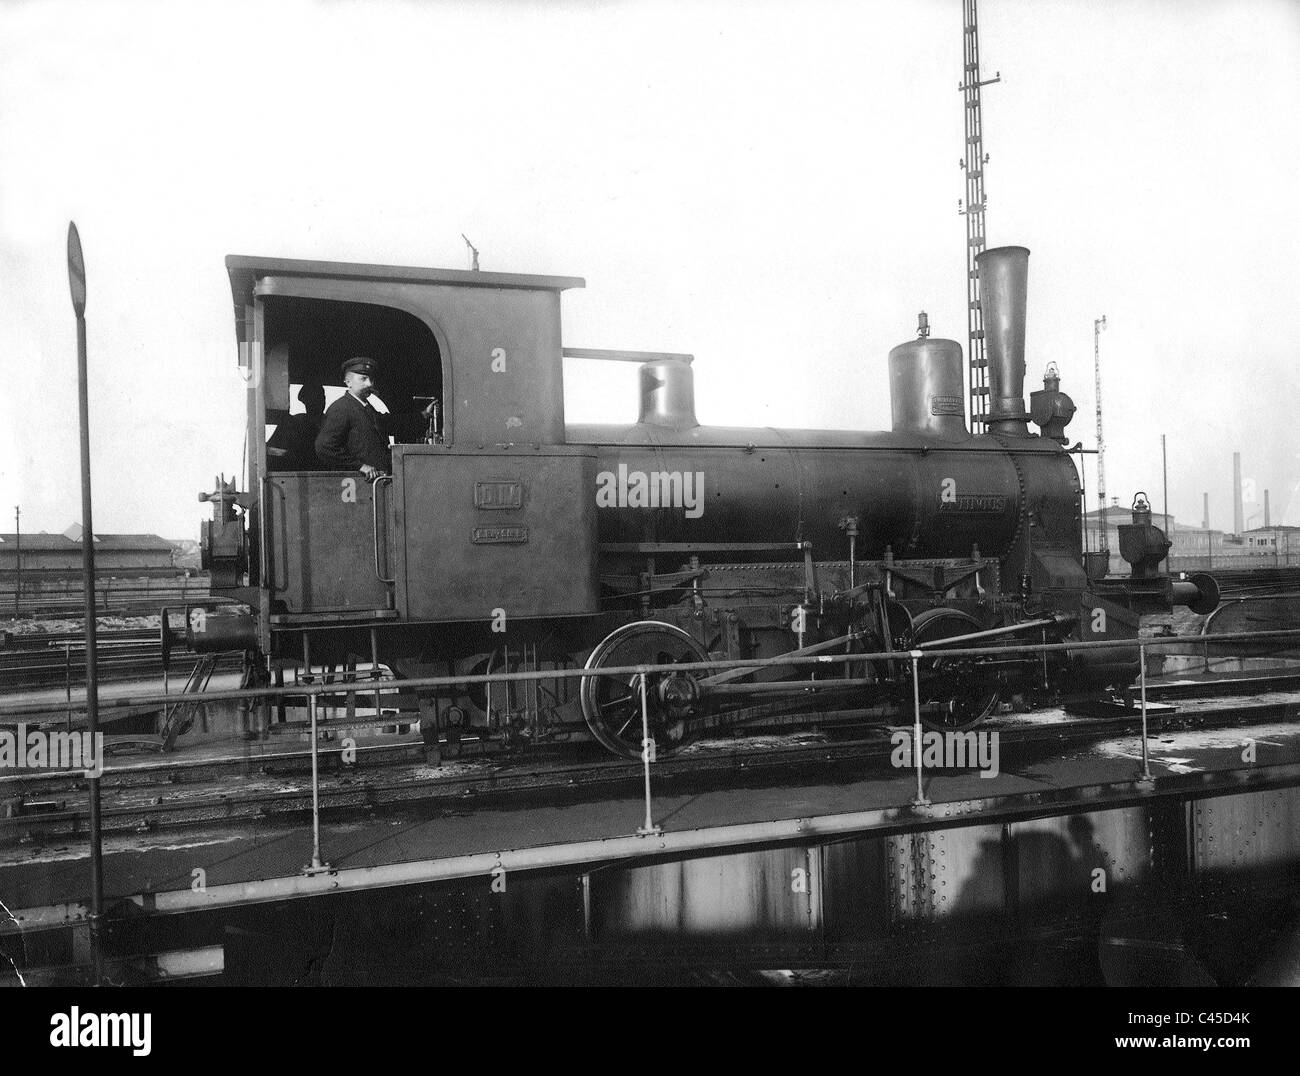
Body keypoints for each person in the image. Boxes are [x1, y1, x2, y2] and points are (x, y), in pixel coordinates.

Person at [314, 357, 391, 480]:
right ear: (348, 382)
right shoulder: (341, 408)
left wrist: (423, 414)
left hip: (375, 484)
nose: (369, 384)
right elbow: (324, 447)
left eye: (371, 379)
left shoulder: (365, 408)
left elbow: (388, 422)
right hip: (359, 485)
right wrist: (359, 466)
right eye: (363, 379)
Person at [266, 383, 326, 471]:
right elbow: (273, 454)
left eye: (321, 397)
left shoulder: (333, 422)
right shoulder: (293, 423)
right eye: (312, 399)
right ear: (305, 402)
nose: (318, 402)